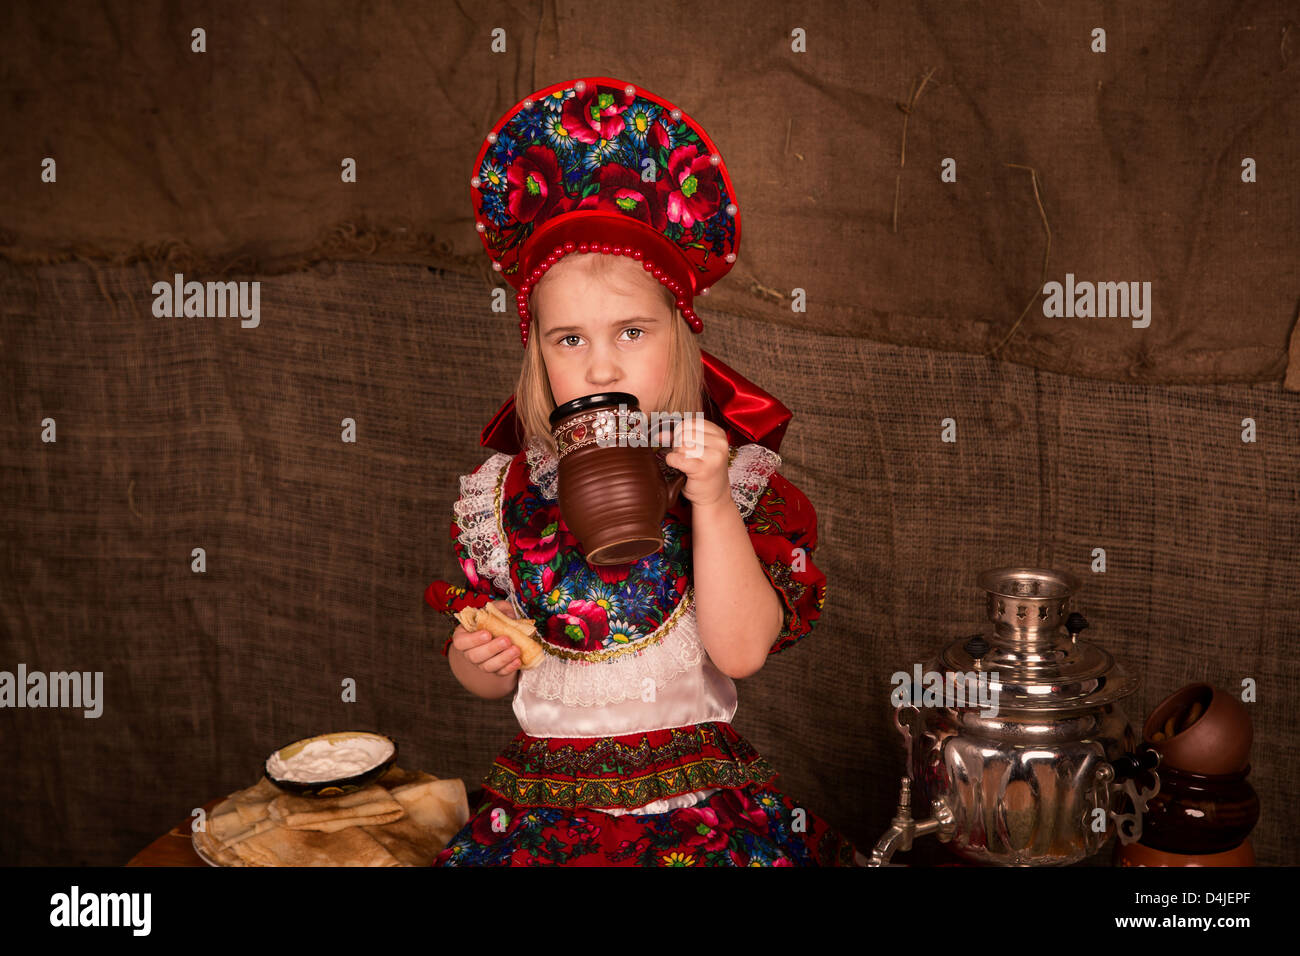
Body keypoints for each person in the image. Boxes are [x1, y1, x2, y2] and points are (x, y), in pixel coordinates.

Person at [425, 77, 862, 865]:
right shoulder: (504, 497)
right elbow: (494, 664)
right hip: (543, 812)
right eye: (568, 340)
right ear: (535, 355)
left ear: (681, 337)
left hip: (694, 811)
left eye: (631, 331)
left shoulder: (730, 478)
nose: (598, 363)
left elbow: (740, 654)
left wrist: (710, 499)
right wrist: (475, 661)